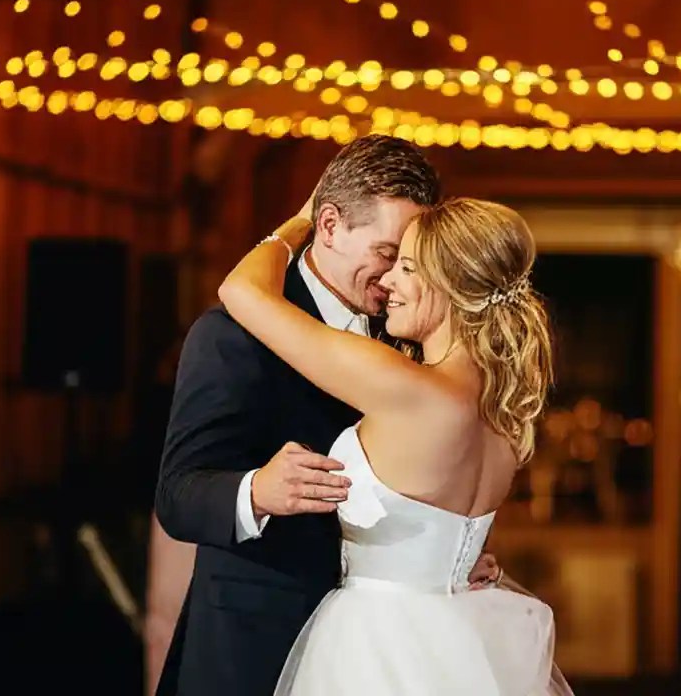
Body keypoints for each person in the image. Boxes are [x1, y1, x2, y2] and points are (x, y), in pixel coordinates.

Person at [153, 136, 501, 696]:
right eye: (389, 254)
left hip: (383, 657)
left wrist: (438, 549)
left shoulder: (412, 330)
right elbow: (177, 495)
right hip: (256, 646)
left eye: (410, 261)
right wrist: (257, 492)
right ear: (331, 225)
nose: (394, 279)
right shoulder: (233, 335)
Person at [219, 192, 571, 694]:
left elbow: (241, 292)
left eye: (405, 267)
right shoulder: (505, 417)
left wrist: (299, 223)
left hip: (376, 645)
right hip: (459, 646)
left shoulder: (406, 387)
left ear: (447, 282)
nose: (388, 282)